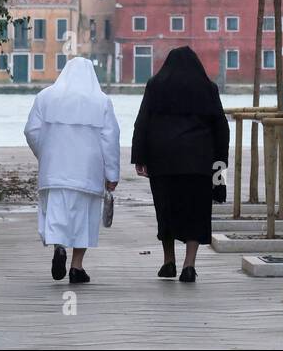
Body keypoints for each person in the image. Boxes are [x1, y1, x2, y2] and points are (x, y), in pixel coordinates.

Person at [131, 46, 229, 282]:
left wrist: (139, 157)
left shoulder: (155, 85)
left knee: (166, 209)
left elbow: (142, 122)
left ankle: (168, 261)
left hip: (163, 161)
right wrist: (220, 167)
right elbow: (221, 128)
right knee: (196, 212)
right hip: (199, 162)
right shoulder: (208, 88)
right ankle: (189, 265)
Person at [24, 57, 120, 284]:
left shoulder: (45, 97)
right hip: (87, 171)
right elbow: (110, 140)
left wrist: (45, 154)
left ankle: (59, 247)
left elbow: (31, 131)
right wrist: (112, 174)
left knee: (56, 213)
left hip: (54, 170)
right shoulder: (101, 101)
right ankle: (77, 267)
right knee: (84, 218)